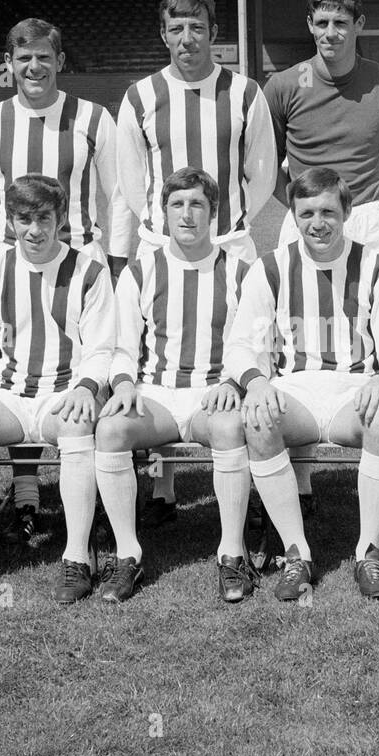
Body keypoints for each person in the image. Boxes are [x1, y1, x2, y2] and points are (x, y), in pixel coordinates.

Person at [108, 0, 276, 525]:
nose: (187, 38)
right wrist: (162, 227)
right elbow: (131, 181)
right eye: (176, 29)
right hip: (164, 244)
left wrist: (229, 222)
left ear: (213, 34)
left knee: (240, 354)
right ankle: (163, 487)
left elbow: (263, 171)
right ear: (163, 35)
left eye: (197, 28)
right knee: (165, 355)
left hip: (228, 241)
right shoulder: (139, 95)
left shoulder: (245, 92)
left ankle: (248, 486)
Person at [0, 17, 118, 541]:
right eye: (22, 58)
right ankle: (26, 495)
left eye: (43, 57)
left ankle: (102, 492)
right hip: (15, 261)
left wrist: (113, 262)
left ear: (60, 61)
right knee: (18, 372)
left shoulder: (94, 118)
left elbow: (116, 194)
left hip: (78, 261)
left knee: (76, 370)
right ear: (9, 64)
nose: (34, 67)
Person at [262, 0, 379, 506]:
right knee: (297, 337)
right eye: (321, 23)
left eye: (341, 23)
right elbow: (264, 162)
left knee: (378, 330)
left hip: (367, 215)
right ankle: (295, 469)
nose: (330, 32)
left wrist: (364, 206)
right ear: (309, 24)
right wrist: (304, 209)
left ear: (359, 25)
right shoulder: (282, 85)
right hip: (307, 216)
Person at [225, 167, 379, 600]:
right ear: (295, 217)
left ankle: (370, 552)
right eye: (306, 213)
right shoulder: (270, 266)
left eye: (327, 211)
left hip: (353, 388)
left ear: (347, 211)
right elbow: (240, 345)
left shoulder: (378, 266)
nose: (317, 223)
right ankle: (296, 553)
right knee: (258, 420)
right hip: (297, 390)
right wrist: (255, 383)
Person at [0, 175, 114, 605]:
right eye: (23, 219)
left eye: (43, 218)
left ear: (60, 219)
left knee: (75, 430)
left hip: (65, 392)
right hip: (11, 395)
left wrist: (87, 388)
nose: (34, 229)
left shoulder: (89, 271)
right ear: (9, 220)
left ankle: (76, 559)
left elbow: (102, 345)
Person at [93, 168, 253, 604]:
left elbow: (253, 344)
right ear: (163, 213)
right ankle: (128, 555)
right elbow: (122, 348)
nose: (187, 214)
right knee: (109, 431)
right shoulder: (139, 273)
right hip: (157, 394)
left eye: (197, 204)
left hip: (212, 393)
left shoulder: (241, 271)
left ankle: (232, 553)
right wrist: (124, 385)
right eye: (178, 204)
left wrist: (235, 382)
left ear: (213, 213)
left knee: (227, 429)